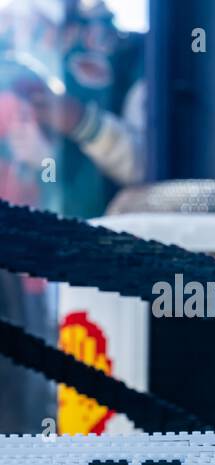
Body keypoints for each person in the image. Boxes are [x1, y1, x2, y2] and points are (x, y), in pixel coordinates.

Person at [0, 0, 145, 436]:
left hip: (88, 264)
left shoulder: (134, 52)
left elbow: (151, 168)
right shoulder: (13, 24)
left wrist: (80, 121)